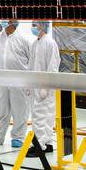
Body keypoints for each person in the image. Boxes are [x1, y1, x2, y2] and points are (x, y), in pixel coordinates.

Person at [0, 20, 33, 151]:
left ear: (14, 21)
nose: (2, 21)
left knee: (20, 109)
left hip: (19, 80)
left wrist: (30, 82)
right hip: (1, 79)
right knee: (0, 108)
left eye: (6, 18)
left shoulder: (24, 40)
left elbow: (31, 61)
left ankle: (18, 137)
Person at [27, 22, 60, 155]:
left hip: (45, 87)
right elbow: (31, 66)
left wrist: (46, 86)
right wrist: (28, 84)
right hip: (36, 85)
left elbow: (53, 66)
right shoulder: (35, 43)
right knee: (41, 115)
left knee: (42, 115)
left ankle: (39, 145)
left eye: (35, 24)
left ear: (42, 25)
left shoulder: (50, 43)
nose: (33, 27)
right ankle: (47, 143)